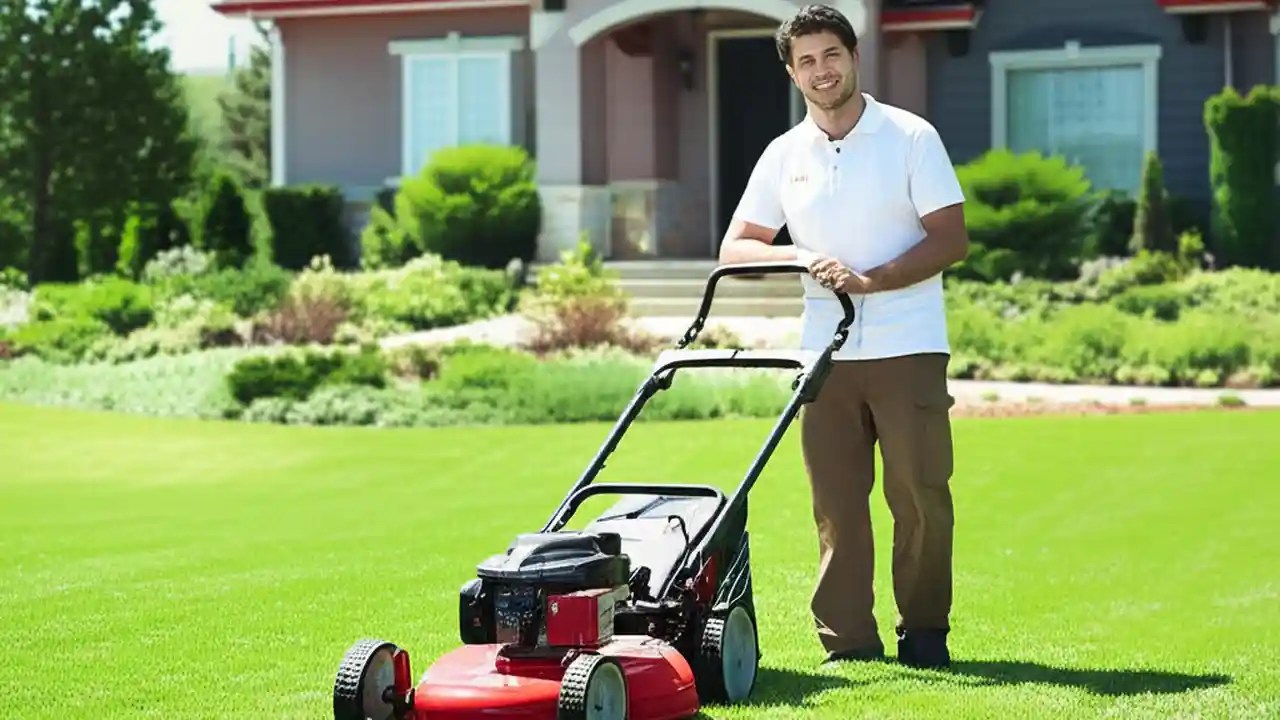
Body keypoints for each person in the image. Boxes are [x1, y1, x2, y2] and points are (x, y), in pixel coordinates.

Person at [718, 3, 969, 669]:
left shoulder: (911, 137)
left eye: (831, 55)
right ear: (793, 75)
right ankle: (849, 644)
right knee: (835, 506)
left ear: (854, 57)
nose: (821, 70)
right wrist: (802, 260)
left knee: (918, 497)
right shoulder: (783, 156)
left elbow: (950, 238)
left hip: (907, 345)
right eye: (806, 61)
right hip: (822, 355)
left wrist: (873, 281)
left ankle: (924, 634)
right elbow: (736, 249)